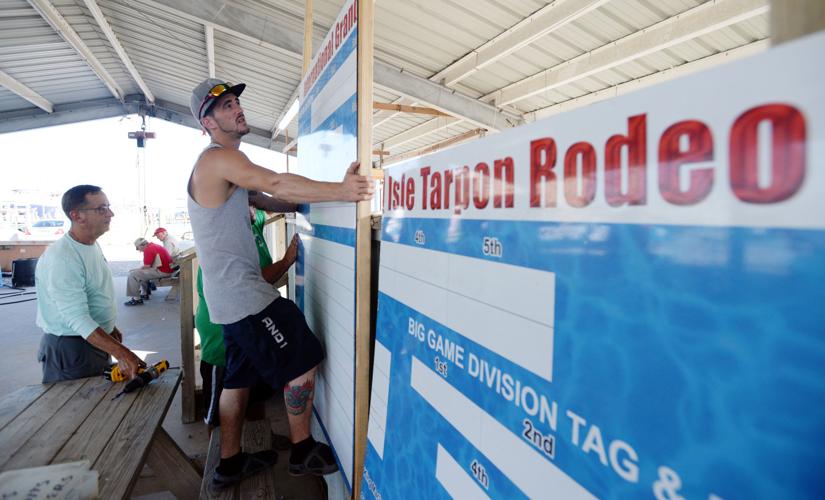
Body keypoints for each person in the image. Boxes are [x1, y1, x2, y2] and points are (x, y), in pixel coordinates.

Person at [187, 78, 373, 490]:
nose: (238, 109)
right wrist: (344, 191)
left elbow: (275, 199)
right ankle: (302, 448)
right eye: (226, 105)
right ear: (208, 122)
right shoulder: (217, 160)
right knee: (303, 355)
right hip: (244, 295)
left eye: (236, 102)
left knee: (237, 380)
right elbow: (274, 182)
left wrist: (318, 195)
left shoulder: (225, 169)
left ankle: (230, 464)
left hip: (225, 299)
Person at [200, 200, 297, 433]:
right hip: (221, 338)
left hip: (250, 327)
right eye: (242, 203)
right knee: (218, 413)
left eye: (251, 202)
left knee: (254, 393)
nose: (252, 208)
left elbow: (270, 205)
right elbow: (250, 283)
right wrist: (286, 261)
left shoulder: (251, 221)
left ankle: (258, 442)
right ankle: (221, 451)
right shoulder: (222, 240)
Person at [35, 185, 145, 383]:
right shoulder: (63, 258)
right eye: (101, 209)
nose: (110, 214)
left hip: (93, 341)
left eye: (108, 207)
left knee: (99, 397)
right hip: (72, 350)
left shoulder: (90, 245)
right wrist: (123, 353)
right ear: (77, 216)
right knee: (76, 401)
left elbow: (94, 291)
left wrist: (109, 327)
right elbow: (77, 318)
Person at [125, 237, 174, 306]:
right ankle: (144, 293)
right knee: (139, 273)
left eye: (137, 248)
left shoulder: (148, 249)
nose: (138, 250)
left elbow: (146, 266)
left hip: (164, 271)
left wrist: (136, 270)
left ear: (142, 245)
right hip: (167, 269)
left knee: (133, 275)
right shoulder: (153, 245)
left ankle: (137, 299)